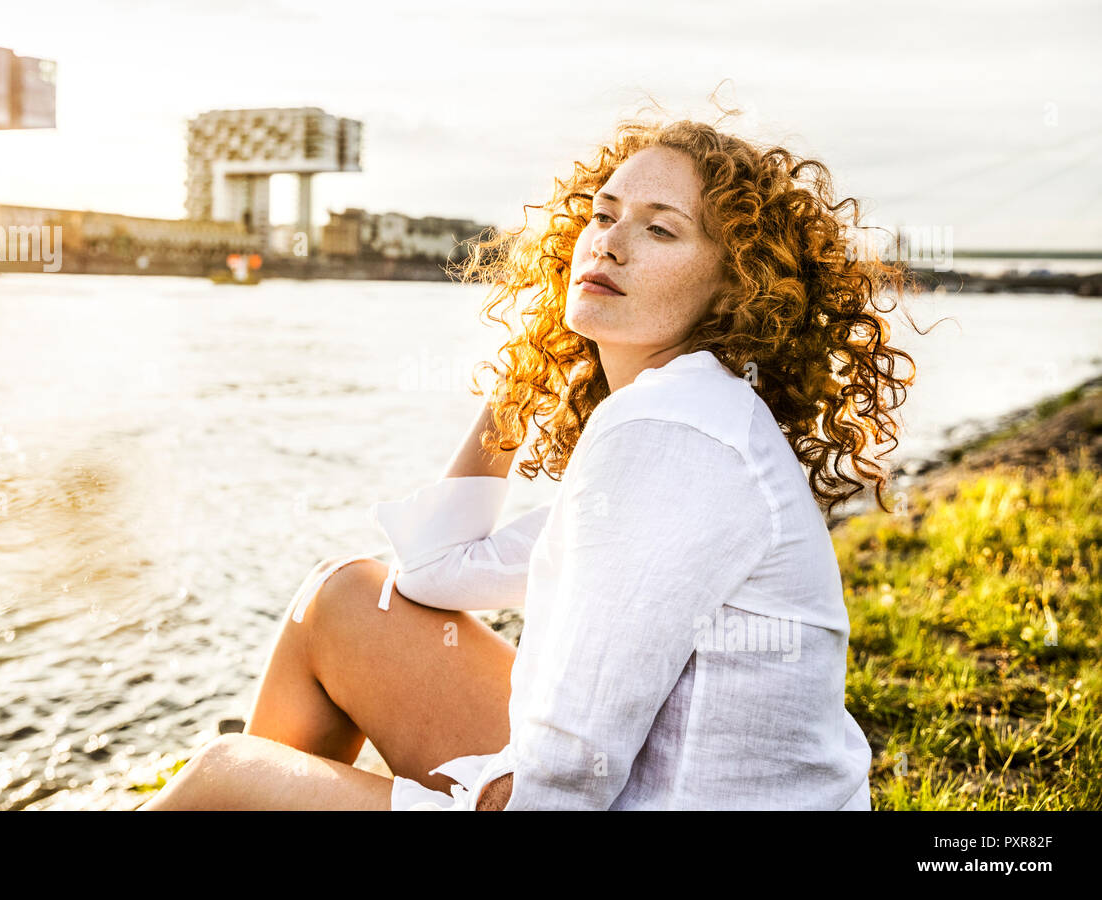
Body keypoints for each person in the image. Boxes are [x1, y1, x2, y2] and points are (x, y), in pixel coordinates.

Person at [138, 108, 921, 811]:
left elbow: (566, 780)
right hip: (653, 786)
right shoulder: (686, 410)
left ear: (733, 288)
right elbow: (431, 570)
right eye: (602, 214)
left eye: (660, 230)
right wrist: (528, 372)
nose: (608, 241)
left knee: (224, 773)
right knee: (344, 598)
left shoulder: (671, 434)